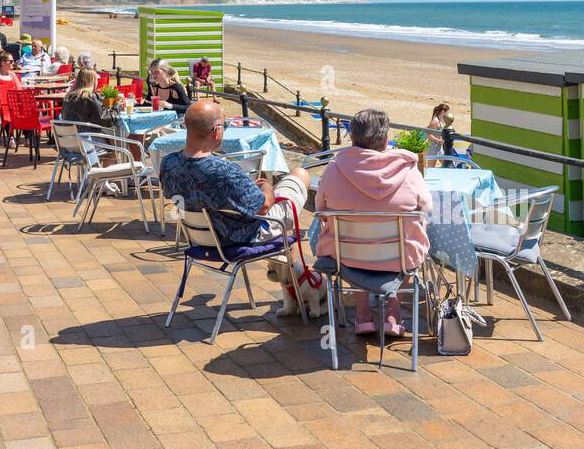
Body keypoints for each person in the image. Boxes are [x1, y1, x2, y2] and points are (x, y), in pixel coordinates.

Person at [313, 108, 431, 338]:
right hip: (400, 258)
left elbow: (320, 210)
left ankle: (364, 316)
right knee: (408, 238)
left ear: (353, 138)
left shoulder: (334, 168)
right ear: (386, 139)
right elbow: (427, 208)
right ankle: (392, 315)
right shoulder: (408, 170)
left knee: (349, 244)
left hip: (346, 256)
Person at [159, 100, 309, 247]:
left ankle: (285, 265)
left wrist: (247, 189)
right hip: (243, 237)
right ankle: (290, 264)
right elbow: (263, 207)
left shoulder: (168, 163)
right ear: (217, 131)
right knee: (300, 174)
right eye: (225, 125)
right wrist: (266, 188)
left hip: (199, 237)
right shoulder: (225, 171)